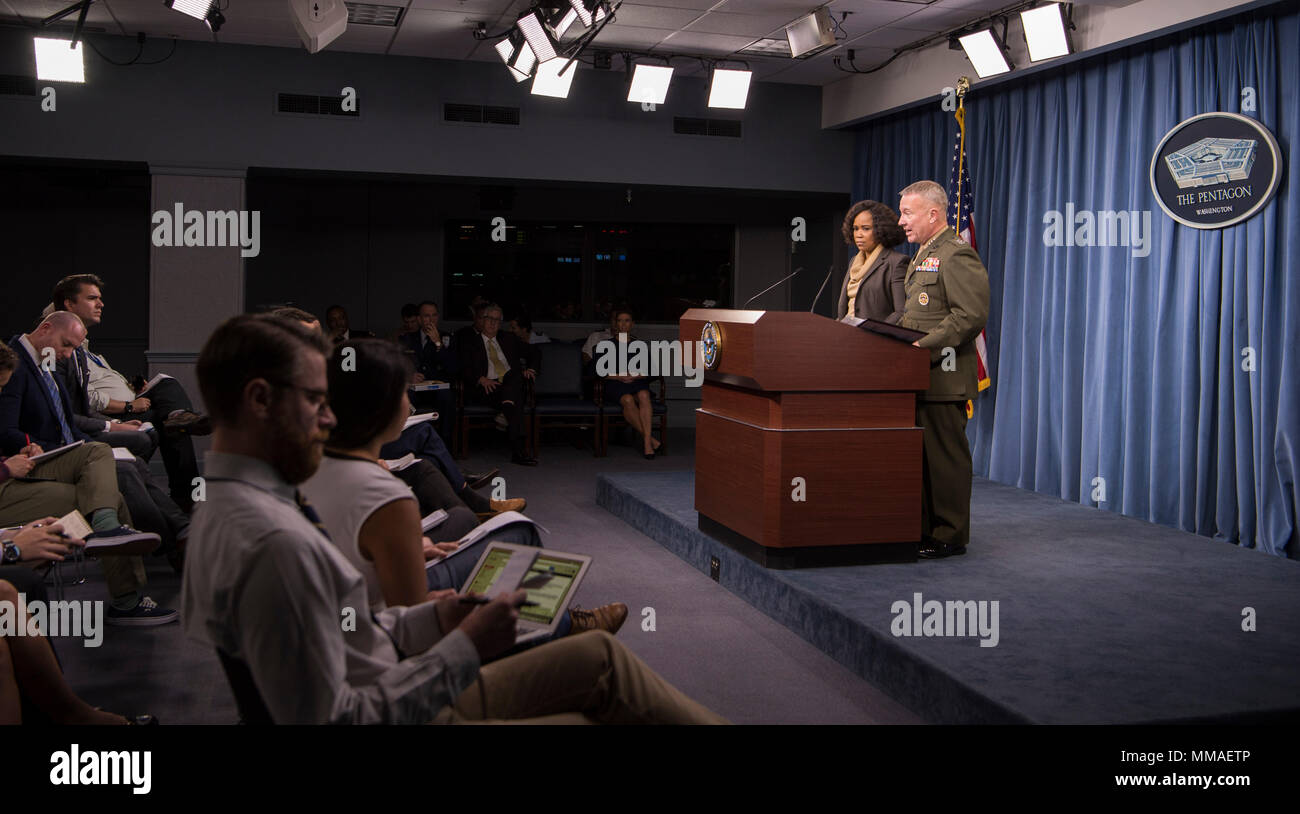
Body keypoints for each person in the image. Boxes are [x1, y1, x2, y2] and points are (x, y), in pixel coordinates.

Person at [183, 313, 725, 724]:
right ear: (260, 399)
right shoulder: (273, 540)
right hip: (407, 697)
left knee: (597, 658)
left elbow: (343, 632)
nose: (329, 419)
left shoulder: (230, 506)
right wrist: (465, 646)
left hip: (389, 666)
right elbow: (346, 716)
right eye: (315, 400)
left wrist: (432, 619)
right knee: (597, 670)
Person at [301, 339, 627, 637]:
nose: (408, 402)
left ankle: (550, 622)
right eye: (404, 393)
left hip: (349, 603)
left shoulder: (308, 468)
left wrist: (409, 549)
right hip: (378, 626)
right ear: (380, 408)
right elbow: (411, 624)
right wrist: (447, 608)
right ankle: (557, 628)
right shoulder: (387, 497)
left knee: (462, 518)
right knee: (518, 531)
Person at [0, 338, 174, 625]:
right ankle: (126, 600)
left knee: (96, 451)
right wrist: (6, 469)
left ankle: (106, 527)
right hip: (5, 485)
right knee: (110, 498)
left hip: (13, 471)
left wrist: (19, 453)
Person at [48, 273, 206, 510]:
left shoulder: (85, 348)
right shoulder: (62, 347)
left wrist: (132, 389)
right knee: (164, 420)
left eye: (100, 298)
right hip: (109, 416)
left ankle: (178, 419)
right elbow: (84, 398)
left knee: (167, 389)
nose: (101, 304)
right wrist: (128, 406)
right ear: (69, 304)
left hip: (128, 405)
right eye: (92, 298)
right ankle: (182, 495)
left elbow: (101, 383)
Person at [896, 180, 990, 559]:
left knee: (945, 459)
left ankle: (950, 534)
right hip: (919, 375)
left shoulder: (956, 254)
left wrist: (922, 347)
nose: (901, 221)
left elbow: (969, 316)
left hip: (944, 376)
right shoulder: (923, 254)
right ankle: (926, 529)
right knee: (922, 459)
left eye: (907, 213)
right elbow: (917, 314)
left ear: (933, 214)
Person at [457, 303, 540, 466]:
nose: (493, 323)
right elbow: (461, 367)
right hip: (489, 387)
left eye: (497, 320)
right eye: (489, 319)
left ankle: (507, 414)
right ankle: (519, 449)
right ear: (483, 320)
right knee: (515, 395)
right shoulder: (469, 342)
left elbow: (535, 352)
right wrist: (480, 378)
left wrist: (532, 369)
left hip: (510, 382)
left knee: (515, 375)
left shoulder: (509, 338)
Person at [594, 309, 660, 459]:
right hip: (615, 384)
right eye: (620, 321)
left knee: (644, 394)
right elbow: (596, 371)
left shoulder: (639, 345)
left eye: (627, 320)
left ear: (632, 324)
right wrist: (619, 376)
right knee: (628, 399)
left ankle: (647, 443)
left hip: (636, 382)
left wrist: (636, 375)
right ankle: (650, 441)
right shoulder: (606, 345)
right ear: (615, 324)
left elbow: (652, 371)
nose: (623, 324)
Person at [838, 201, 909, 324]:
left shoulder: (896, 262)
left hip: (873, 335)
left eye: (866, 229)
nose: (858, 235)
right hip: (846, 332)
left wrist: (875, 331)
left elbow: (901, 312)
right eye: (855, 229)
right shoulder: (854, 262)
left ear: (881, 230)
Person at [400, 300, 457, 445]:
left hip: (438, 388)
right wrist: (409, 375)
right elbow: (398, 365)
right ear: (419, 319)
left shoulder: (447, 338)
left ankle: (445, 445)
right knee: (404, 397)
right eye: (426, 316)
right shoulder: (407, 338)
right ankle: (408, 445)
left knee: (447, 397)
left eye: (434, 315)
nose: (431, 320)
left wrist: (438, 343)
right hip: (415, 389)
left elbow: (453, 368)